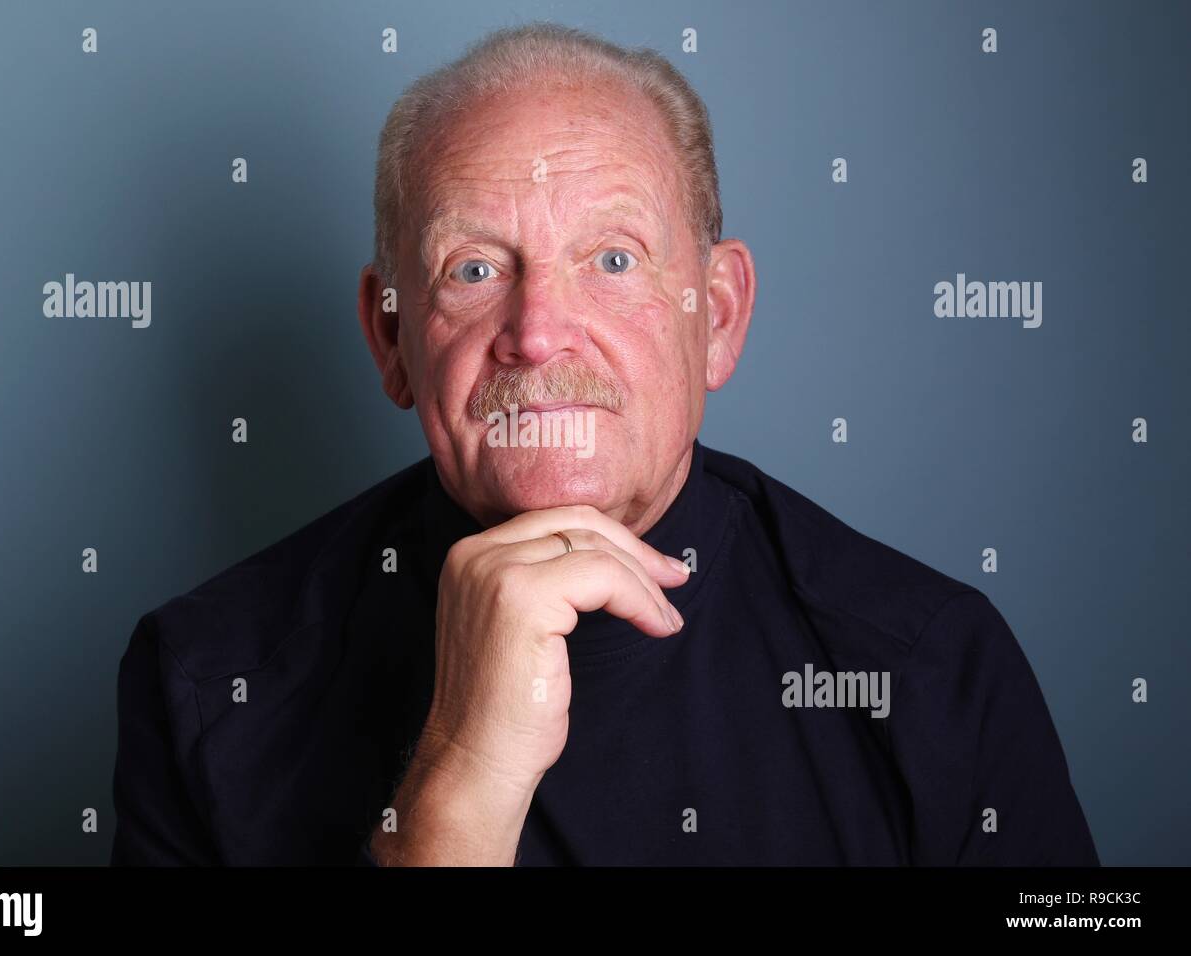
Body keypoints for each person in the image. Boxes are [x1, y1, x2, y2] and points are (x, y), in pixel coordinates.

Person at [110, 22, 1098, 866]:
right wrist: (460, 781)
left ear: (713, 316)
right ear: (390, 336)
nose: (536, 331)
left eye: (613, 259)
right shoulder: (204, 677)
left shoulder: (931, 669)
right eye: (473, 268)